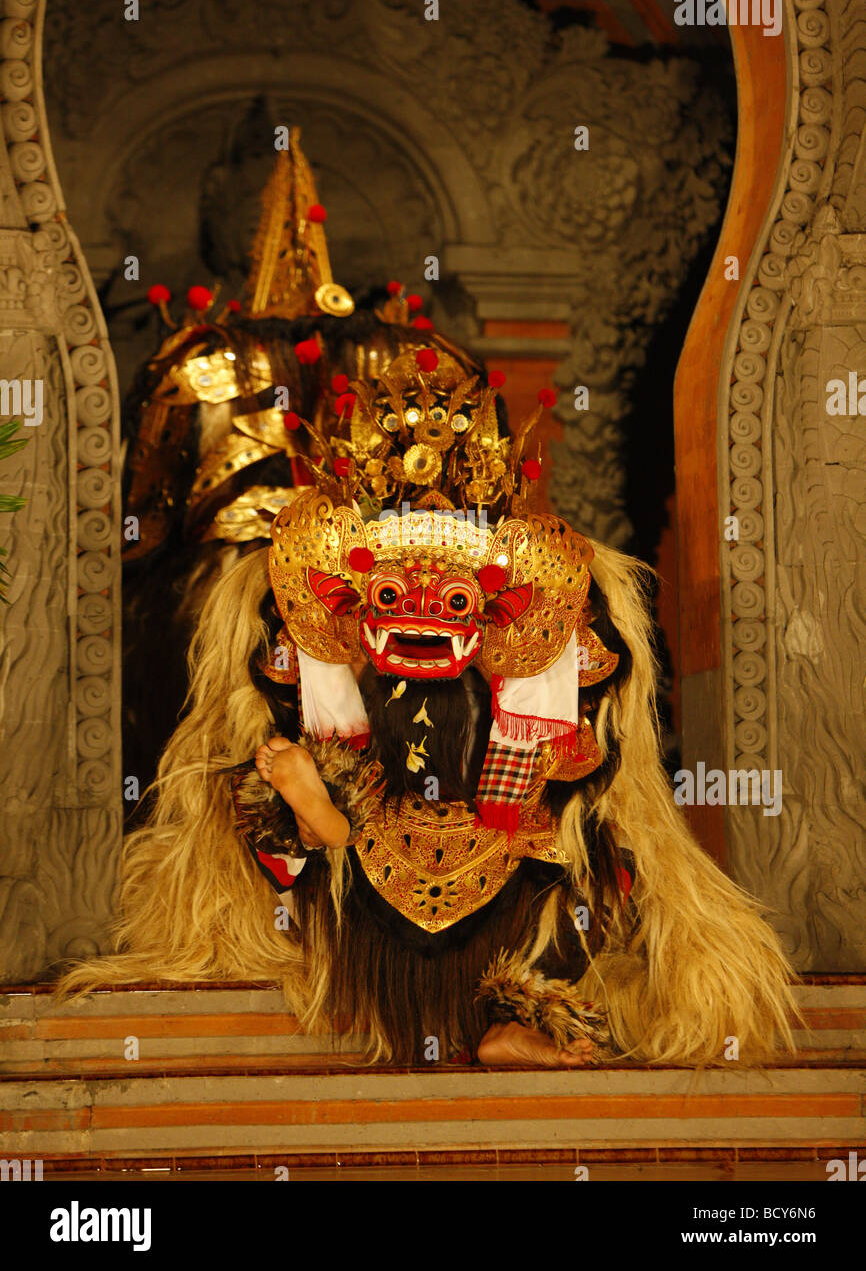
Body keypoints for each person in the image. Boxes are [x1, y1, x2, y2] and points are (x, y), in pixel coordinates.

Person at [60, 332, 797, 1068]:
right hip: (357, 855)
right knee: (294, 819)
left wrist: (540, 749)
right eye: (390, 594)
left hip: (504, 848)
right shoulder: (300, 615)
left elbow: (587, 758)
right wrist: (313, 795)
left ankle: (519, 1013)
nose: (421, 613)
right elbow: (275, 773)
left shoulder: (551, 607)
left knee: (593, 859)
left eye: (448, 596)